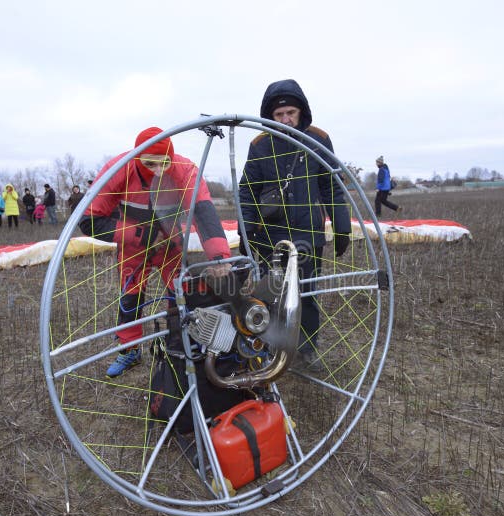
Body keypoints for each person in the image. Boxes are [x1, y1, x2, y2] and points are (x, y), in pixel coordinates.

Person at [80, 126, 231, 378]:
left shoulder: (185, 171)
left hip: (171, 244)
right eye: (150, 164)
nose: (158, 171)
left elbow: (204, 211)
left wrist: (219, 257)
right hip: (133, 245)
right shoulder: (119, 168)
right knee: (131, 295)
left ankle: (176, 344)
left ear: (172, 157)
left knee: (179, 292)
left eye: (164, 164)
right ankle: (129, 349)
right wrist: (145, 235)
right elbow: (89, 220)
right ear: (138, 159)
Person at [238, 79, 351, 371]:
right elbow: (247, 190)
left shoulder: (318, 139)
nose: (286, 119)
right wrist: (246, 231)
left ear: (301, 111)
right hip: (269, 237)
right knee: (269, 294)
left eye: (291, 112)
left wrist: (341, 226)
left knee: (307, 296)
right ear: (269, 116)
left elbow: (332, 186)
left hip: (308, 235)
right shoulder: (260, 145)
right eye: (279, 115)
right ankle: (271, 348)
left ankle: (306, 350)